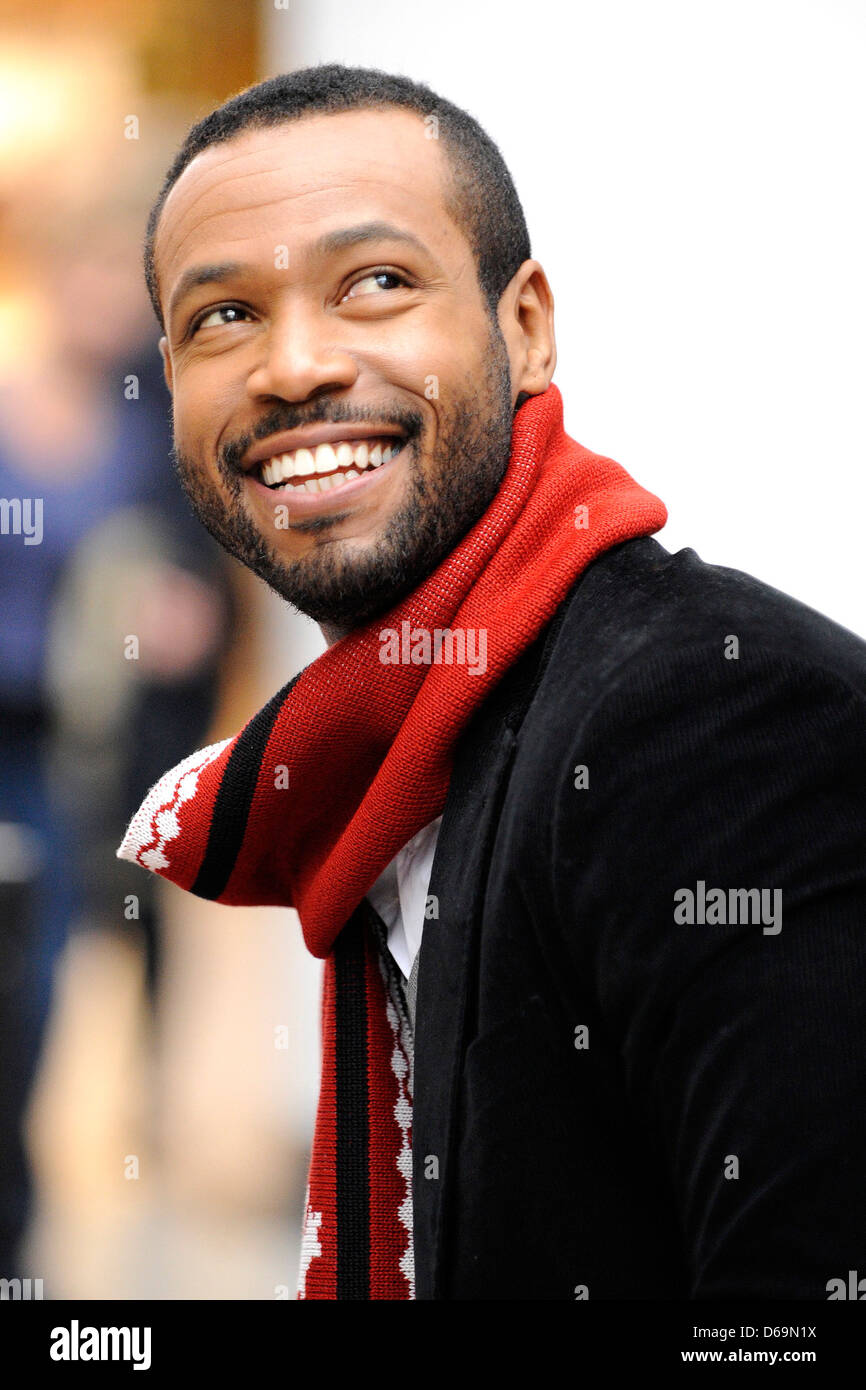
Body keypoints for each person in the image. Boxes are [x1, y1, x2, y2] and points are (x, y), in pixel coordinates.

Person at [118, 64, 866, 1301]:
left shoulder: (715, 718)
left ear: (523, 327)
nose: (292, 365)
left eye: (375, 284)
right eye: (224, 317)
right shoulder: (391, 760)